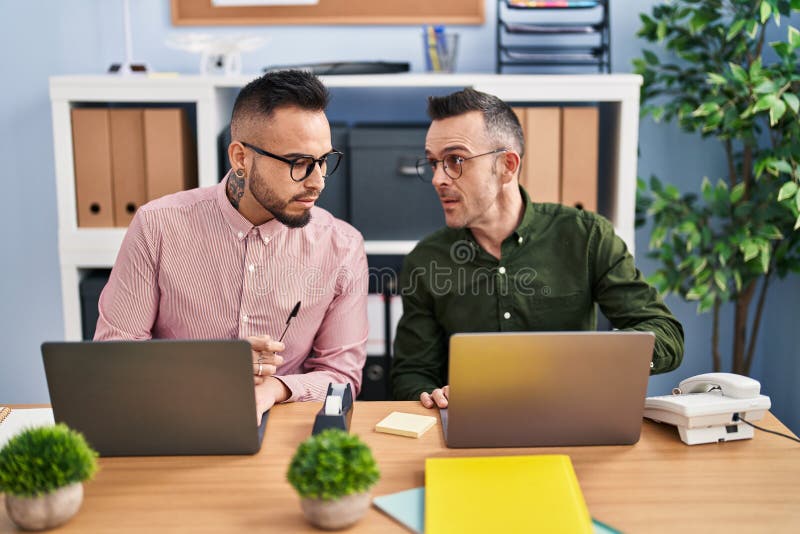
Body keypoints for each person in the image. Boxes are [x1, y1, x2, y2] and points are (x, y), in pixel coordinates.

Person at [95, 70, 368, 419]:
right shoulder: (157, 226)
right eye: (298, 163)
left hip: (283, 424)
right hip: (172, 414)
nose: (317, 183)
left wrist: (276, 389)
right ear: (240, 158)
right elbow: (114, 357)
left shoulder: (342, 246)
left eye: (323, 161)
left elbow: (342, 377)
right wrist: (213, 367)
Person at [391, 88, 684, 408]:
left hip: (573, 419)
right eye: (433, 163)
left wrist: (596, 358)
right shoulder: (426, 260)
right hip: (471, 422)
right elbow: (412, 373)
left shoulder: (587, 236)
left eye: (455, 160)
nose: (438, 179)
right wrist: (428, 394)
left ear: (507, 165)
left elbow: (665, 334)